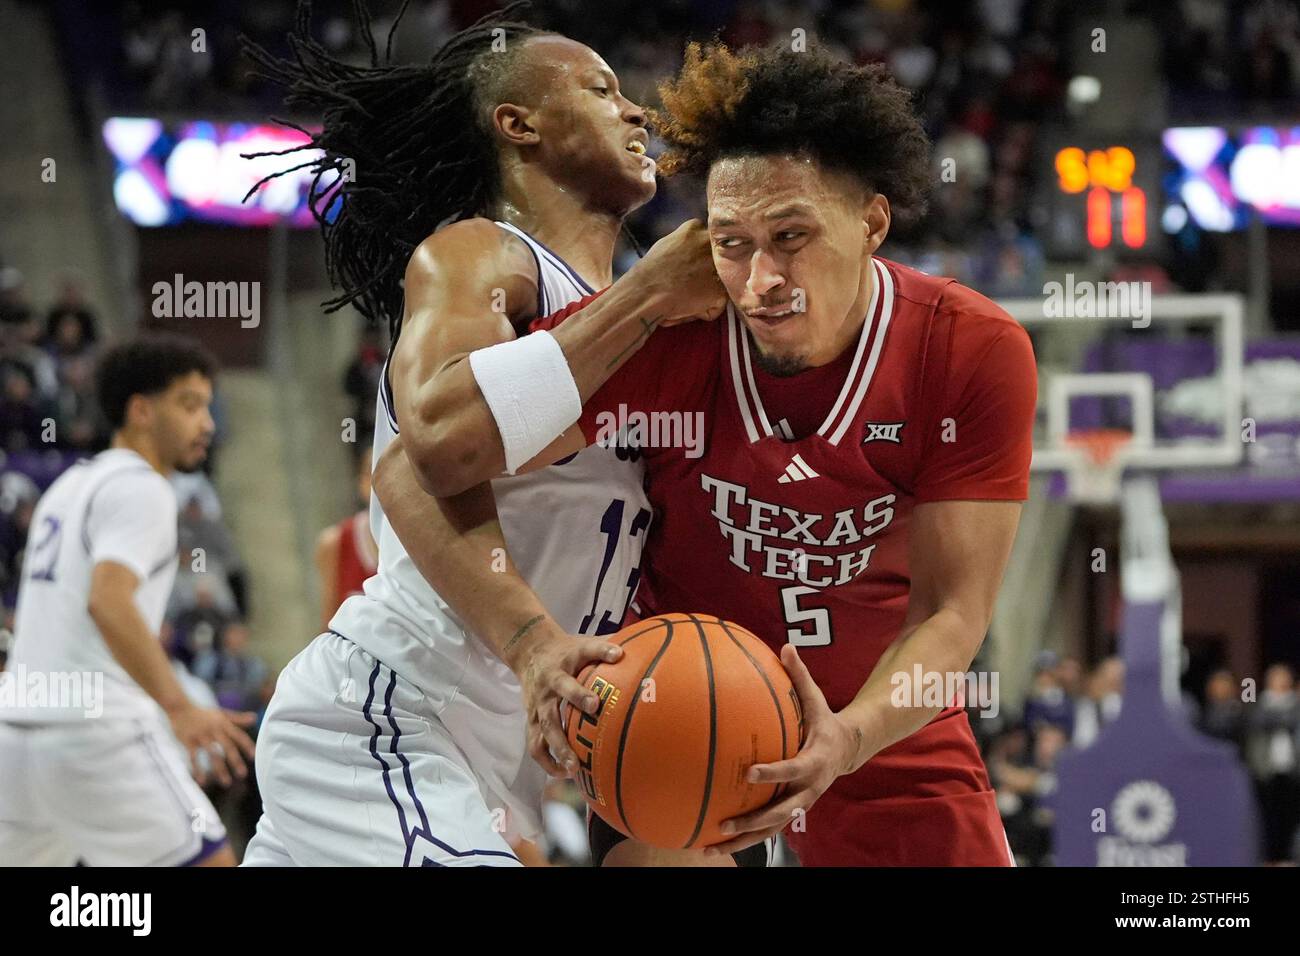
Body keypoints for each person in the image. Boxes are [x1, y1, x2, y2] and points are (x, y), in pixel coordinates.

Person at [376, 40, 1038, 866]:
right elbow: (418, 463)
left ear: (872, 220)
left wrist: (851, 737)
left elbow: (952, 614)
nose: (761, 278)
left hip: (886, 714)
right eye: (731, 242)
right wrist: (531, 643)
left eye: (791, 236)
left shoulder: (969, 347)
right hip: (687, 706)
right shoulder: (673, 332)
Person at [239, 4, 723, 866]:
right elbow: (434, 443)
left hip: (493, 765)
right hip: (390, 711)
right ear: (518, 124)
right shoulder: (481, 256)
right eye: (602, 90)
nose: (638, 110)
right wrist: (646, 295)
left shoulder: (644, 327)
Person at [0, 335, 254, 866]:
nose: (206, 424)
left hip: (16, 733)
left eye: (207, 407)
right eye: (189, 405)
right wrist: (180, 709)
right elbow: (107, 601)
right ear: (141, 410)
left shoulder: (68, 484)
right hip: (93, 733)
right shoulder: (143, 487)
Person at [314, 447, 378, 629]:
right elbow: (327, 625)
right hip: (356, 655)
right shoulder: (335, 542)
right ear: (362, 483)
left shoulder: (418, 542)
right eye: (372, 473)